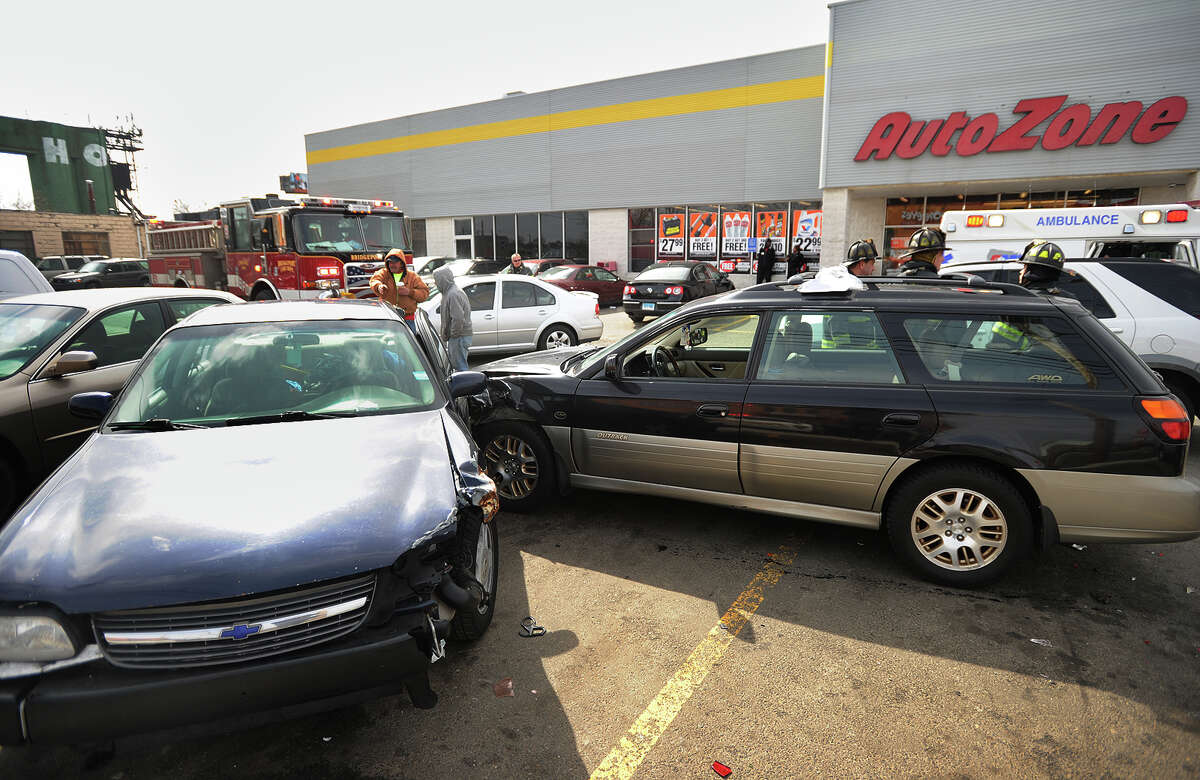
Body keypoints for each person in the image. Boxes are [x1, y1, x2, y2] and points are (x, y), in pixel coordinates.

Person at [369, 249, 429, 330]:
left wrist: (409, 292)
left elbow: (424, 294)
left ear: (401, 263)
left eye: (395, 262)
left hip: (408, 319)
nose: (392, 265)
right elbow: (374, 280)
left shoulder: (412, 276)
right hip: (388, 317)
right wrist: (378, 286)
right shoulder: (383, 273)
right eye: (390, 262)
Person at [432, 266, 472, 370]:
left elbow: (458, 319)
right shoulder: (448, 292)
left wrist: (454, 335)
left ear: (443, 279)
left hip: (459, 337)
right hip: (457, 337)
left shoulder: (453, 294)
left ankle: (465, 386)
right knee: (458, 366)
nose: (435, 283)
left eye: (436, 280)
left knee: (460, 368)